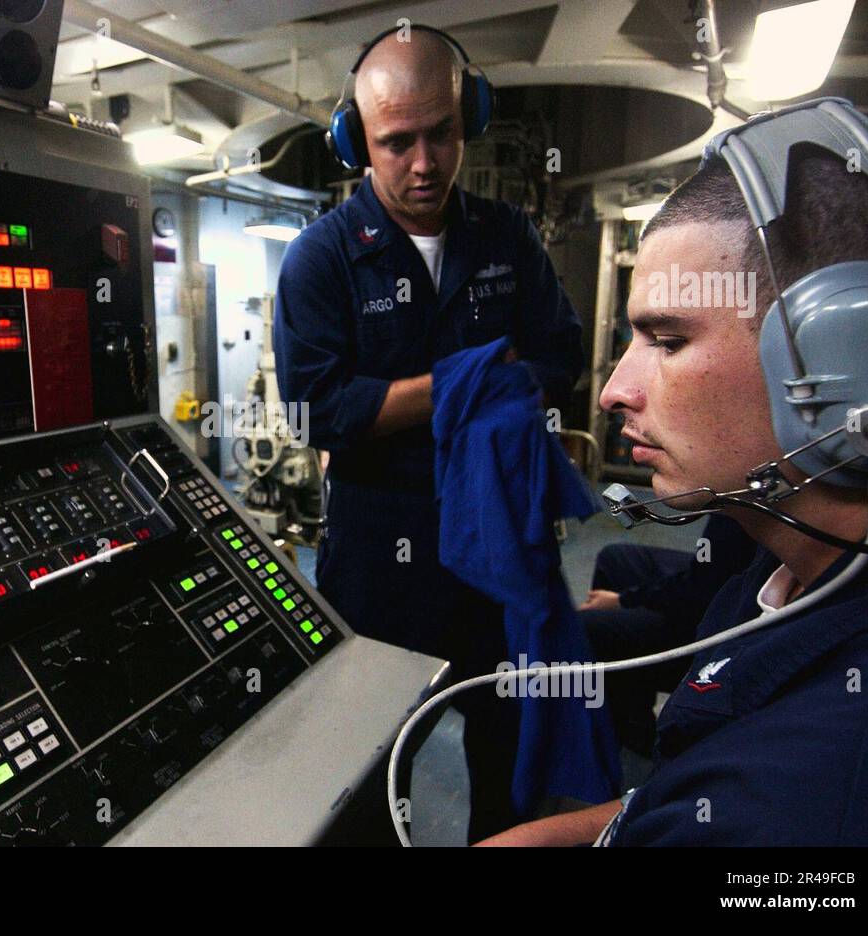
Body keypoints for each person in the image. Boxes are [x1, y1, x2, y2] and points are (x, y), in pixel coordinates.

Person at [478, 104, 868, 846]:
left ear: (853, 366)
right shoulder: (783, 572)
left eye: (666, 340)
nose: (614, 391)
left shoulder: (803, 802)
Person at [274, 24, 583, 838]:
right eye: (396, 142)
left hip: (500, 541)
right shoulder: (322, 260)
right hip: (382, 553)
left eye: (440, 133)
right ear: (356, 142)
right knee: (372, 763)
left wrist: (398, 400)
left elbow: (562, 357)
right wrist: (470, 377)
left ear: (468, 116)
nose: (423, 164)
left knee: (508, 745)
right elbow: (315, 410)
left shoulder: (506, 237)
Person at [579, 513, 755, 757]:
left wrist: (623, 600)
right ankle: (630, 713)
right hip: (721, 575)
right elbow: (708, 571)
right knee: (616, 560)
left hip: (734, 621)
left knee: (591, 627)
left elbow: (701, 592)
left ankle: (638, 746)